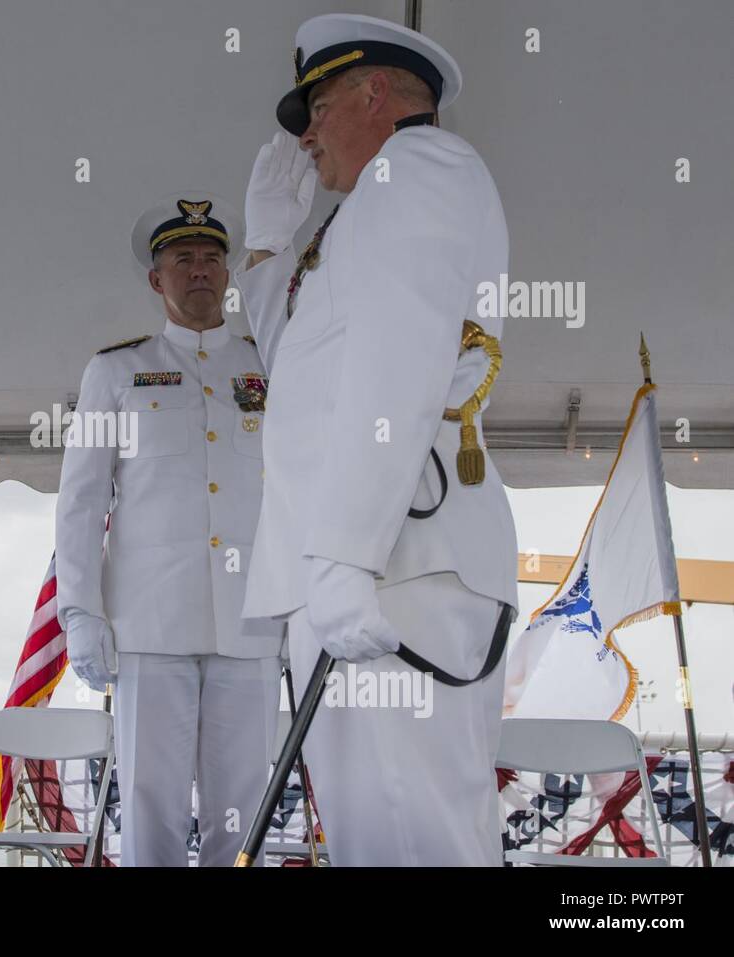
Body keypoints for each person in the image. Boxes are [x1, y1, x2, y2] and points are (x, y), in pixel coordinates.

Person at [235, 13, 518, 865]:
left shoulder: (420, 165)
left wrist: (345, 554)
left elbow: (400, 354)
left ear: (374, 92)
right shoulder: (356, 221)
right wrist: (267, 247)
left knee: (413, 834)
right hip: (367, 567)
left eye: (317, 108)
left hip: (396, 564)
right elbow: (300, 366)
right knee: (375, 836)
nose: (309, 136)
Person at [55, 197, 283, 866]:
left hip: (252, 623)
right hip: (149, 627)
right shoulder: (114, 372)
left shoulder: (269, 366)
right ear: (156, 280)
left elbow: (296, 493)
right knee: (151, 806)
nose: (200, 270)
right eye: (182, 259)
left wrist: (303, 607)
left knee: (241, 809)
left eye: (212, 257)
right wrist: (79, 612)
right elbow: (80, 500)